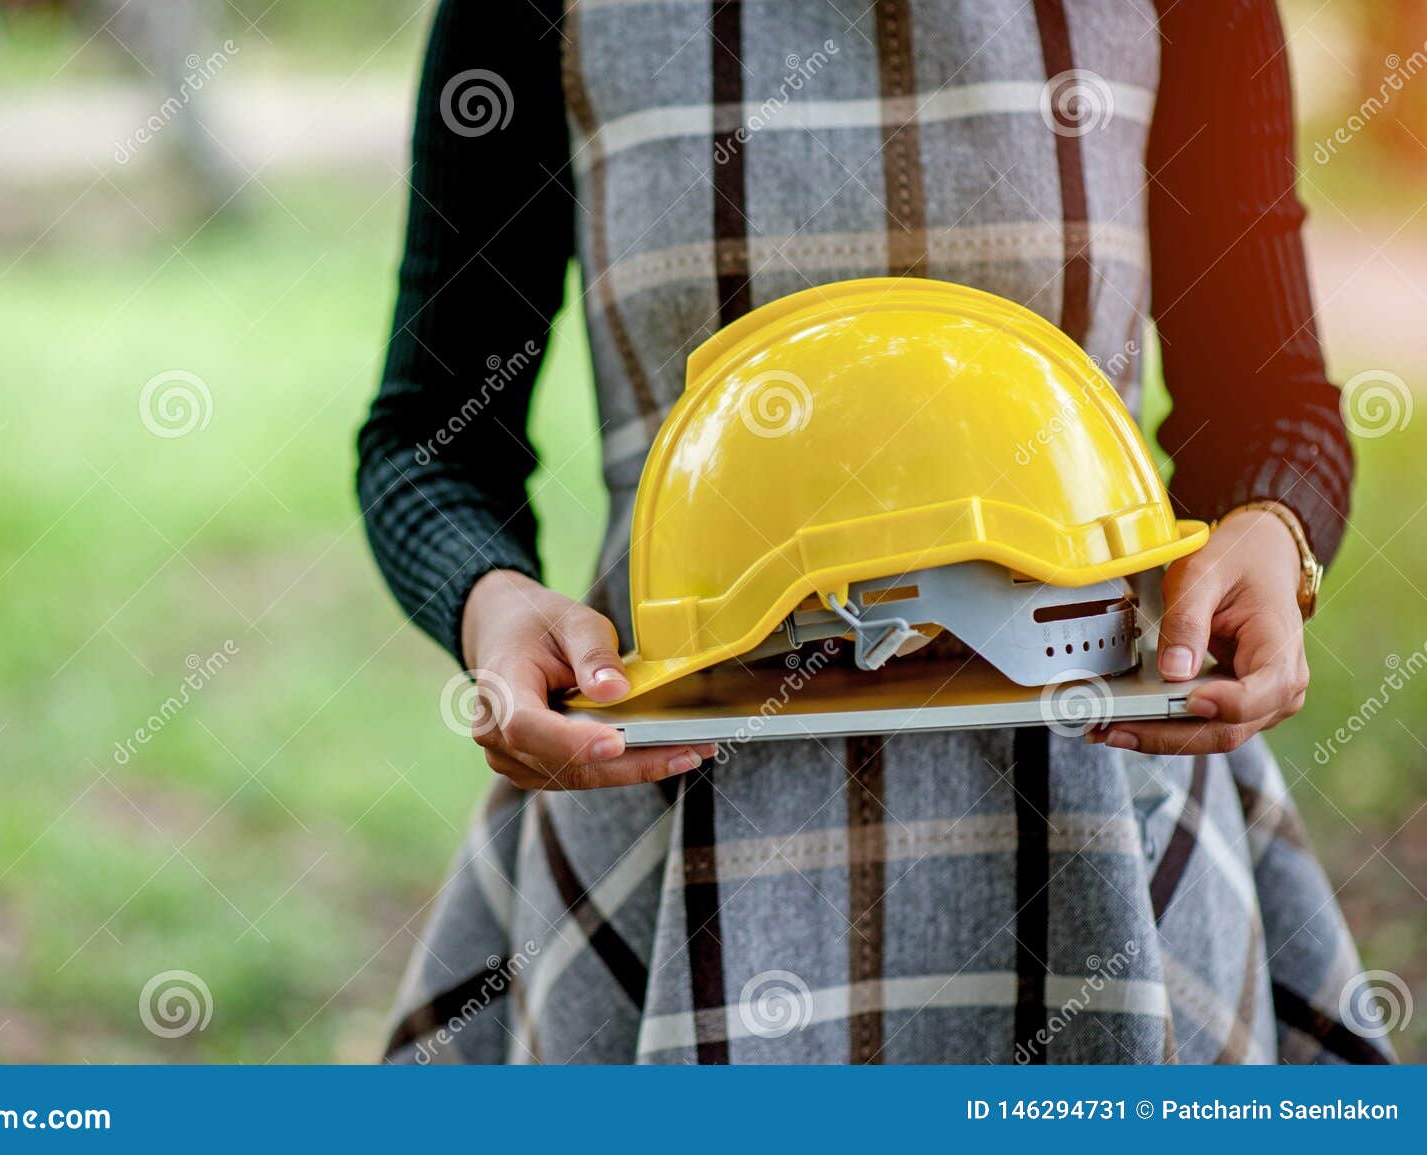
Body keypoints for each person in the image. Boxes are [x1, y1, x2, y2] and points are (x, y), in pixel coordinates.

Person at [359, 0, 1390, 1064]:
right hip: (667, 790)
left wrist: (1273, 531)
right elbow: (427, 440)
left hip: (1101, 798)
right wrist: (491, 603)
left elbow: (1273, 408)